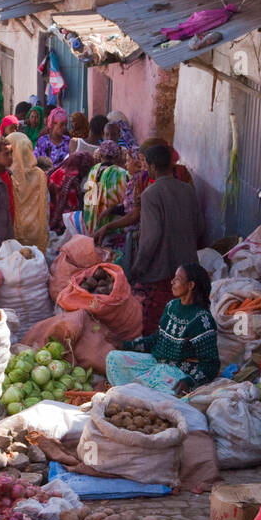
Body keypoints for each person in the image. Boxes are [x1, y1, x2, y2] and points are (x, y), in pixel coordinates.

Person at [107, 263, 219, 394]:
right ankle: (139, 391)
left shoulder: (201, 319)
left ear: (190, 285)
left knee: (165, 387)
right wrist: (126, 344)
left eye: (177, 279)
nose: (172, 282)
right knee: (113, 358)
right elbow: (157, 339)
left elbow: (211, 364)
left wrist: (189, 381)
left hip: (177, 373)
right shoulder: (171, 306)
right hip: (157, 364)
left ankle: (145, 391)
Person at [130, 143, 203, 336]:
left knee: (157, 326)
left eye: (146, 164)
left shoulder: (150, 195)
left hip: (160, 274)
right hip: (187, 268)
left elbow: (151, 237)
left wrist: (138, 268)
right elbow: (199, 227)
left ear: (153, 166)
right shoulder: (188, 190)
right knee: (181, 325)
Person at [82, 138, 129, 248]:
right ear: (117, 156)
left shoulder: (94, 170)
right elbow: (126, 201)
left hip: (92, 223)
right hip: (114, 226)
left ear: (100, 154)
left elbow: (87, 195)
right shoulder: (122, 173)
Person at [10, 133, 48, 251]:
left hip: (14, 232)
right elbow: (46, 205)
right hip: (36, 232)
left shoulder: (8, 175)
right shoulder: (40, 174)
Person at [48, 151, 93, 233]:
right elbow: (72, 208)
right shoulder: (72, 181)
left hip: (48, 215)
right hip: (60, 223)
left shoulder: (58, 170)